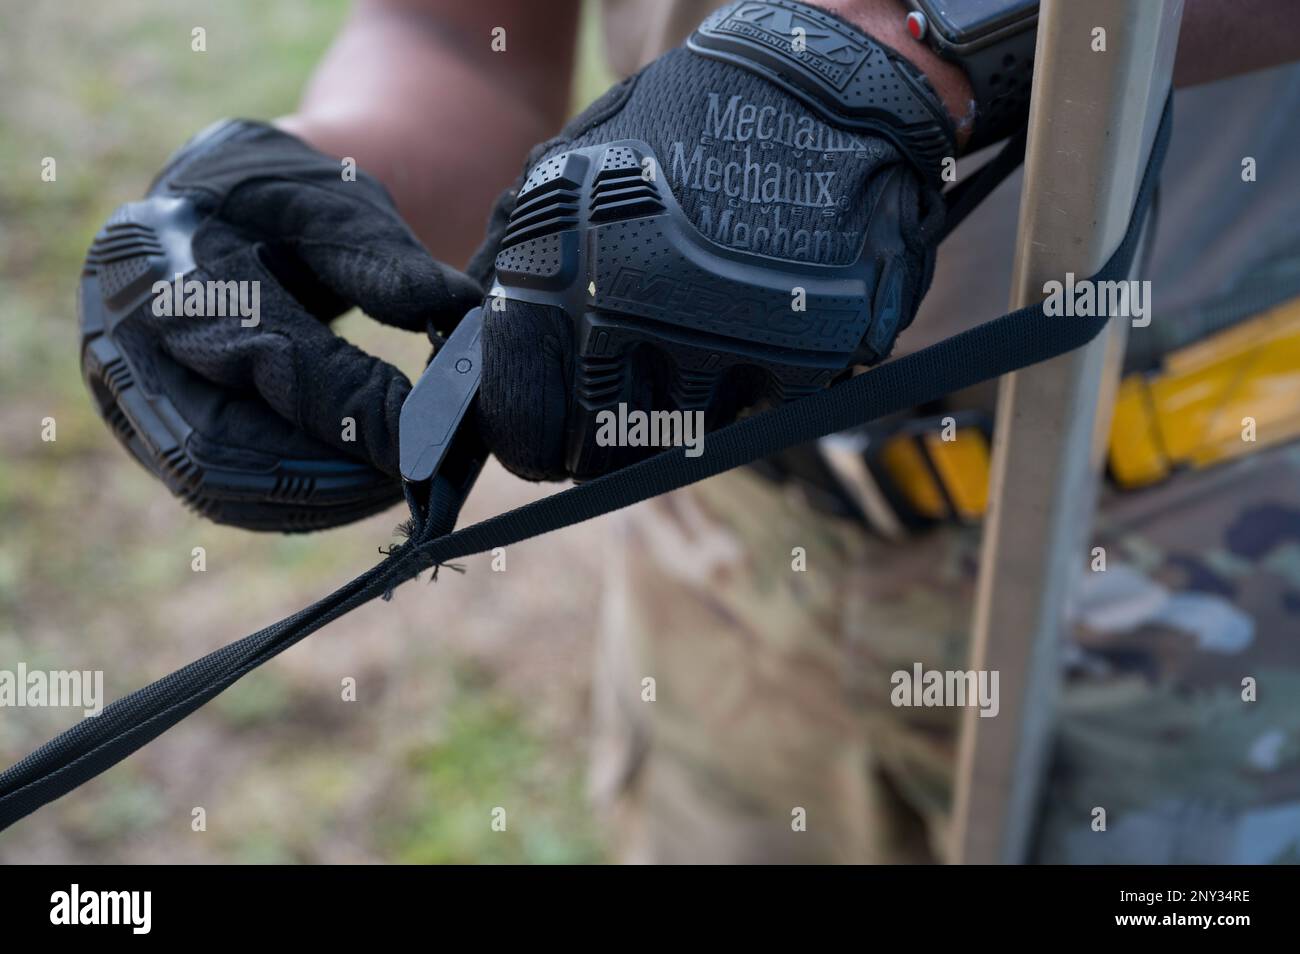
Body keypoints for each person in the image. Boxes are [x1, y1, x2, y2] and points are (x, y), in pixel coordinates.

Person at [87, 0, 1300, 862]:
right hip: (729, 572)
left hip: (1196, 577)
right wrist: (307, 183)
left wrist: (902, 43)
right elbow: (458, 39)